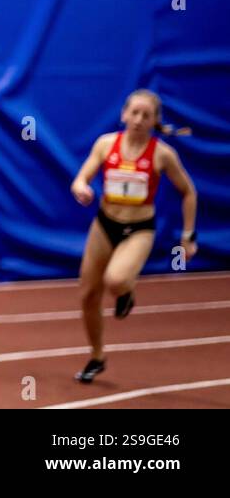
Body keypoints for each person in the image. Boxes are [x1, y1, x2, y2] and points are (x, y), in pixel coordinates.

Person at [70, 89, 198, 383]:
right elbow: (81, 176)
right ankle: (97, 356)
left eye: (146, 115)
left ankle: (125, 292)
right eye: (135, 113)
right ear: (124, 114)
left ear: (155, 121)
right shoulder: (105, 144)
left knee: (115, 280)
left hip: (139, 230)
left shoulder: (163, 154)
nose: (139, 120)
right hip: (105, 225)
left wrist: (188, 235)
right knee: (88, 294)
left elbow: (188, 192)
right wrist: (80, 187)